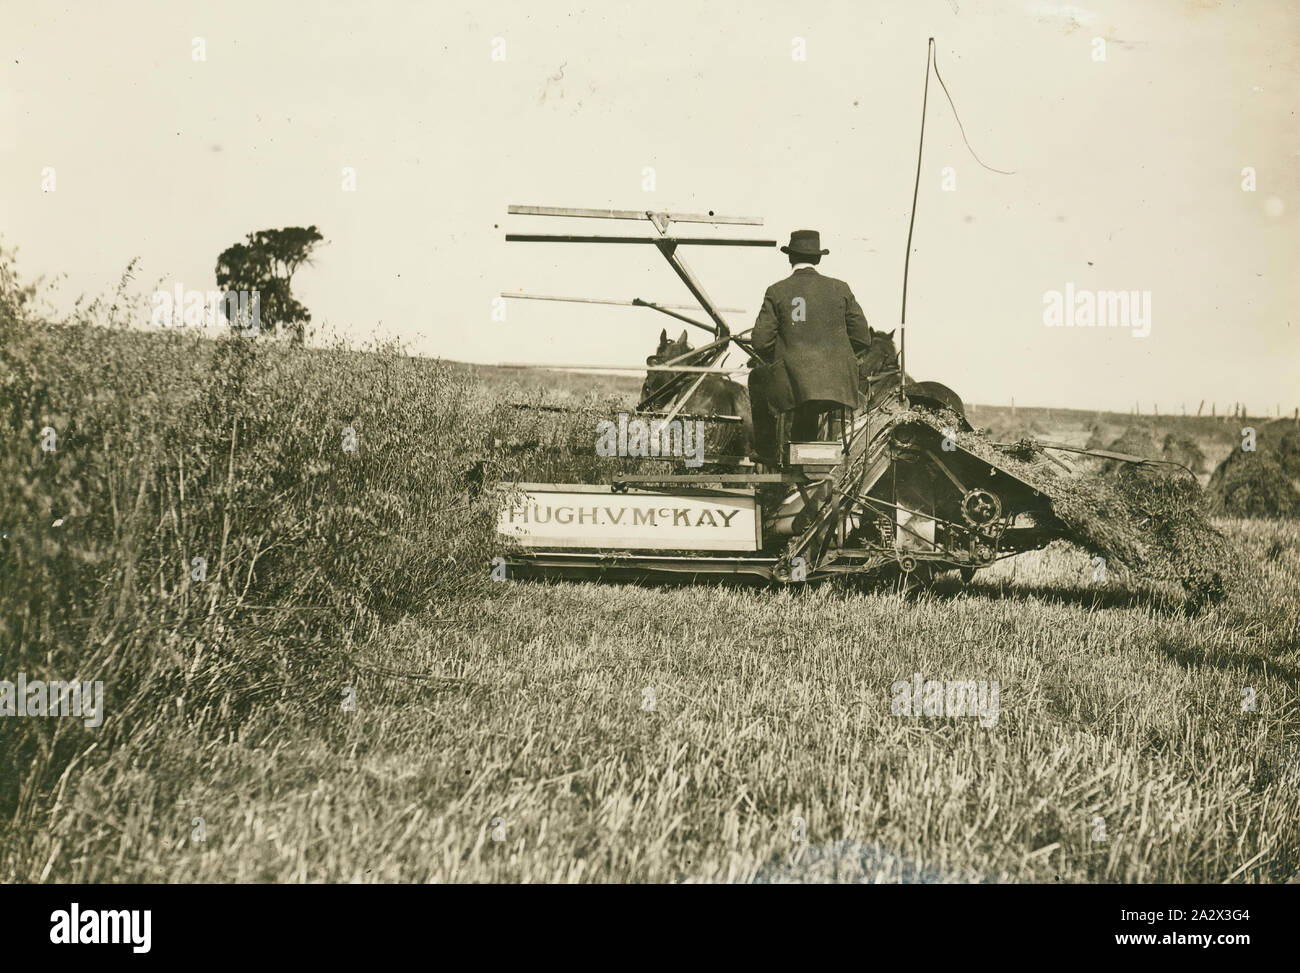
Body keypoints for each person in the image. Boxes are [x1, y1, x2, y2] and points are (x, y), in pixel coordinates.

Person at [748, 229, 873, 464]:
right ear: (817, 259)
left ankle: (766, 451)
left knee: (758, 377)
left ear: (790, 257)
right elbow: (863, 339)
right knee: (809, 400)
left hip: (795, 384)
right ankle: (807, 454)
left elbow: (760, 341)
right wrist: (836, 360)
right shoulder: (841, 289)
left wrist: (781, 360)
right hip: (838, 386)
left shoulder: (777, 291)